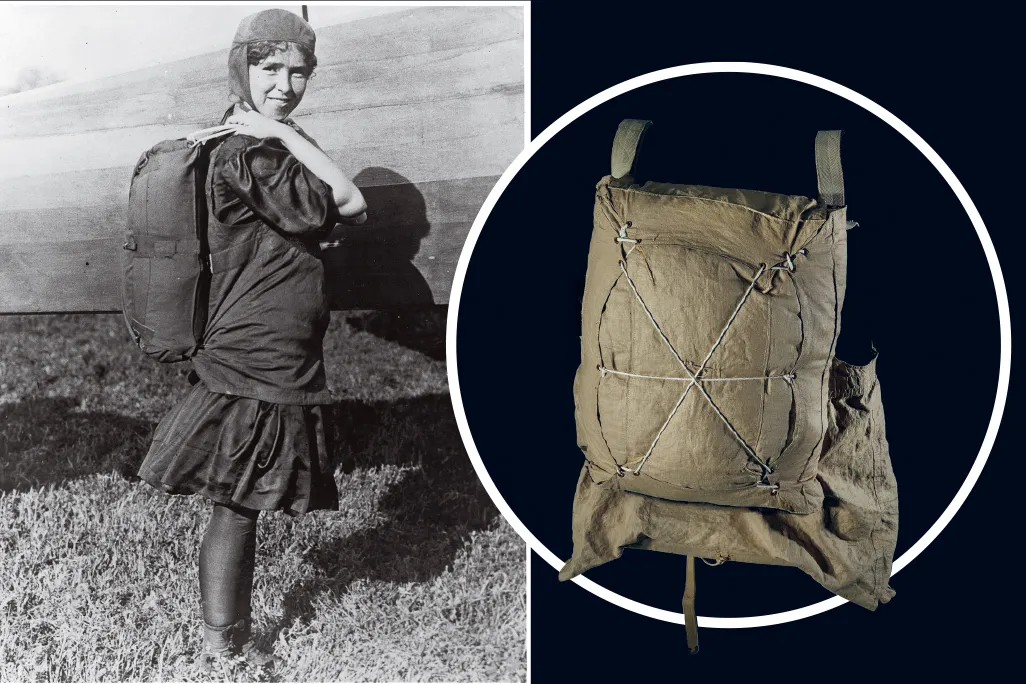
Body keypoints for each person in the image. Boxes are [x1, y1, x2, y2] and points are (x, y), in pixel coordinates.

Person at [136, 8, 367, 672]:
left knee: (239, 502)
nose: (286, 86)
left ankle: (222, 641)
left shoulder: (250, 140)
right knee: (238, 505)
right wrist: (283, 135)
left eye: (299, 72)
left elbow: (308, 226)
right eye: (270, 69)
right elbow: (349, 202)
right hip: (260, 348)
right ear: (242, 67)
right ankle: (223, 650)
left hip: (259, 340)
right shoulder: (255, 149)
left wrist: (282, 132)